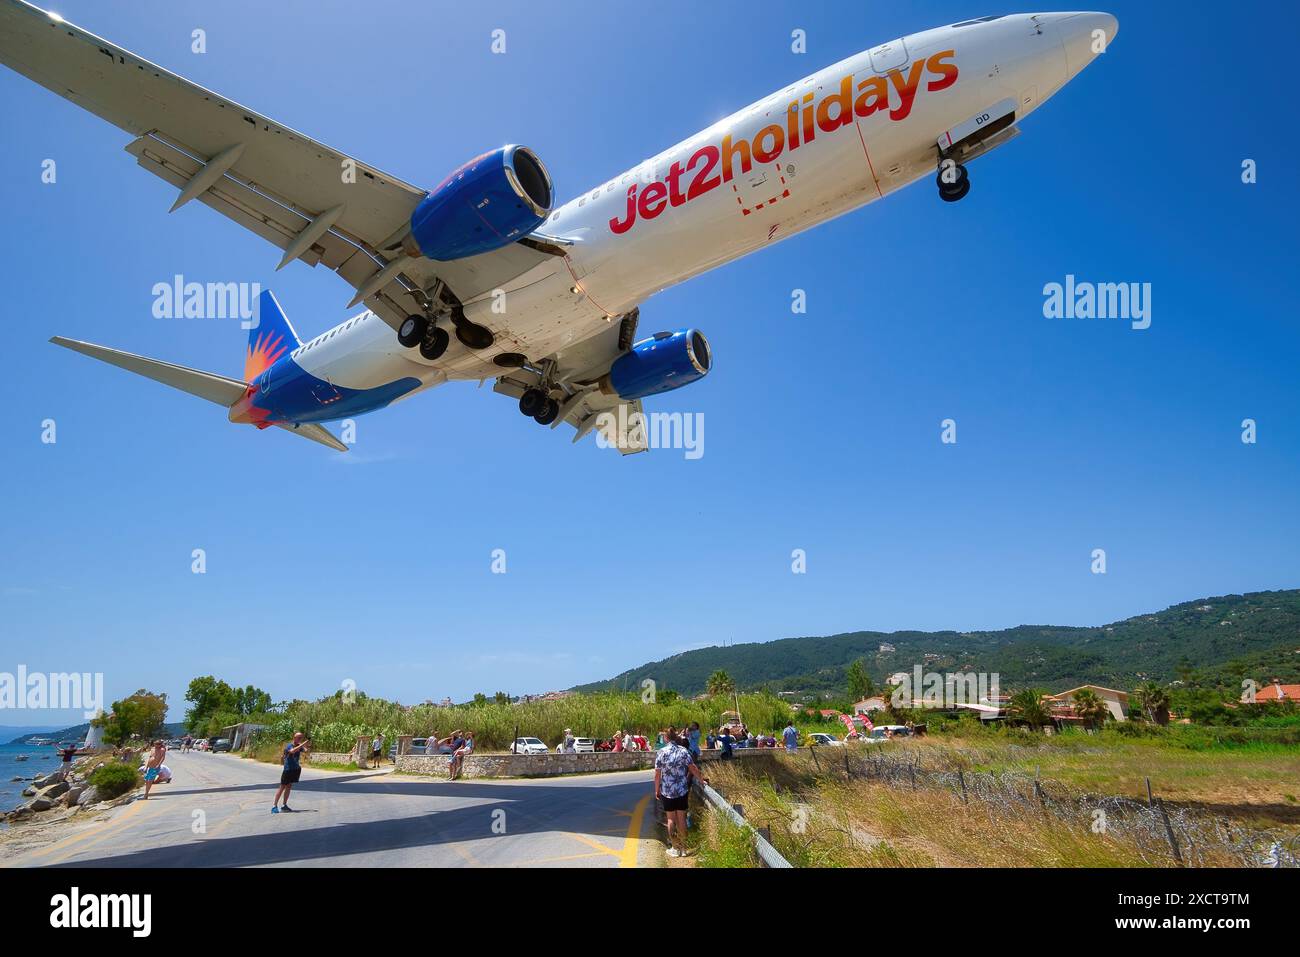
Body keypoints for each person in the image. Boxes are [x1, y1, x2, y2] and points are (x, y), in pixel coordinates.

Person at [654, 732, 707, 858]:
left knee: (671, 819)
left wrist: (656, 790)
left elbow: (657, 774)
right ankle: (683, 849)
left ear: (666, 738)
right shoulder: (683, 751)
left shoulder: (661, 752)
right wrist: (701, 780)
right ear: (676, 739)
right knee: (682, 819)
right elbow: (692, 768)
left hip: (667, 791)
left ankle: (674, 847)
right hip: (682, 789)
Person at [272, 732, 311, 813]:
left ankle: (284, 805)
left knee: (289, 786)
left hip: (294, 769)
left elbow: (306, 751)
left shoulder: (299, 746)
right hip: (288, 769)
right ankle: (274, 806)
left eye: (301, 738)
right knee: (282, 787)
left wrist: (306, 745)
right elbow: (292, 751)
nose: (300, 739)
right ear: (294, 737)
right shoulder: (289, 745)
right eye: (299, 737)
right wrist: (302, 744)